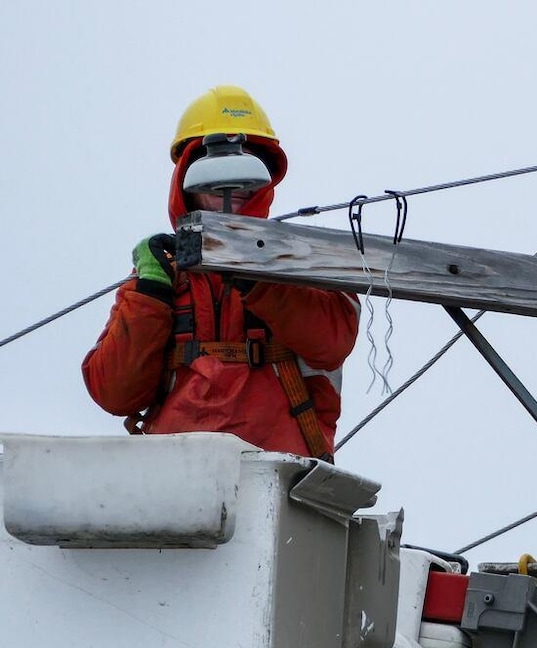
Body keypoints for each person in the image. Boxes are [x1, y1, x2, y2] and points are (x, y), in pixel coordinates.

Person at [83, 85, 359, 461]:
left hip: (280, 477)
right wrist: (149, 292)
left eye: (249, 164)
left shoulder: (304, 263)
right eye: (212, 168)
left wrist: (256, 271)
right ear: (186, 179)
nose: (232, 183)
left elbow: (332, 341)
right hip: (172, 481)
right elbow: (114, 393)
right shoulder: (163, 277)